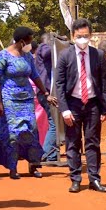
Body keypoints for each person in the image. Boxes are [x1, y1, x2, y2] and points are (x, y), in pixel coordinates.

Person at [0, 26, 57, 179]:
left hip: (26, 99)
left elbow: (35, 75)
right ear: (21, 41)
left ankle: (33, 166)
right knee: (14, 134)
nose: (30, 44)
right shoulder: (3, 56)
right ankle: (13, 168)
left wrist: (46, 93)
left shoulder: (27, 57)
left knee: (31, 130)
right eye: (29, 40)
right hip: (9, 99)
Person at [53, 18, 106, 193]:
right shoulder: (65, 56)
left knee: (93, 142)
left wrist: (105, 107)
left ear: (91, 35)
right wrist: (64, 109)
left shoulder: (98, 55)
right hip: (73, 103)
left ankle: (94, 179)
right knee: (73, 142)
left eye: (86, 36)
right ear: (73, 36)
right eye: (79, 36)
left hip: (93, 103)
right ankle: (76, 179)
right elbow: (59, 85)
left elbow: (104, 83)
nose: (83, 39)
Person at [36, 32, 65, 167]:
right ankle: (46, 154)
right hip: (45, 93)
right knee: (54, 125)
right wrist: (58, 41)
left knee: (54, 124)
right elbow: (49, 52)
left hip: (47, 92)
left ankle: (52, 154)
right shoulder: (43, 48)